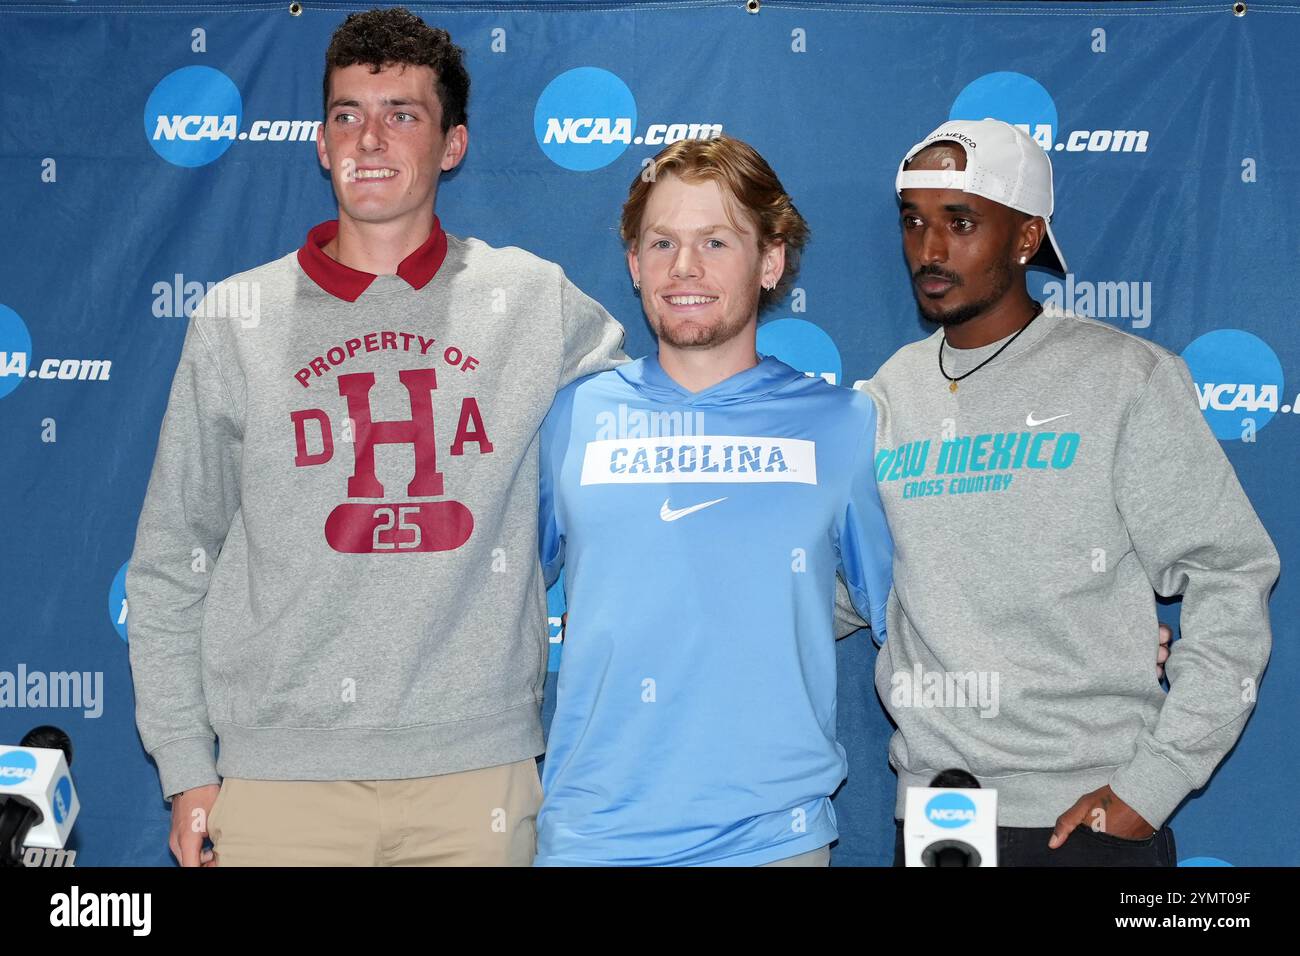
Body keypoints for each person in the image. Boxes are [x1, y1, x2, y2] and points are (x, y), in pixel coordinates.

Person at [126, 7, 626, 867]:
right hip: (281, 780)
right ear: (320, 143)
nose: (369, 139)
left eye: (403, 115)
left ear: (453, 144)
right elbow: (174, 560)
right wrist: (186, 770)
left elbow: (646, 434)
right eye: (347, 114)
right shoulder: (235, 319)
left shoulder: (531, 300)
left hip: (475, 775)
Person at [863, 118, 1279, 866]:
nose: (928, 250)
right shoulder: (891, 391)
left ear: (1025, 239)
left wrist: (1151, 786)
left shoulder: (1124, 379)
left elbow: (1230, 574)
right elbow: (846, 580)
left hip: (1085, 821)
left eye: (960, 223)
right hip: (937, 819)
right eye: (914, 221)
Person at [533, 134, 894, 866]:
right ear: (633, 262)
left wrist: (1074, 642)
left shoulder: (845, 426)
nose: (684, 268)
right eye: (661, 242)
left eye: (716, 241)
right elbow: (486, 599)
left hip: (770, 842)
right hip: (590, 837)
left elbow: (921, 615)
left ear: (771, 260)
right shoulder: (572, 418)